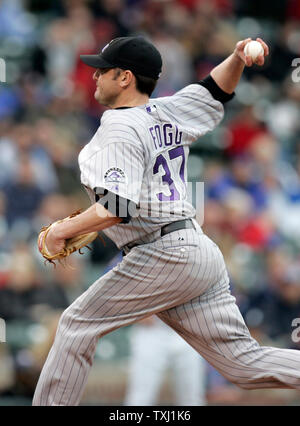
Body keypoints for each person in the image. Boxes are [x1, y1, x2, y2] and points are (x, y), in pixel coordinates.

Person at [32, 36, 300, 407]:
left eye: (103, 70)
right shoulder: (167, 110)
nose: (94, 76)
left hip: (161, 252)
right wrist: (237, 57)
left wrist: (61, 230)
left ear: (125, 77)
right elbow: (215, 90)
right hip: (196, 250)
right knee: (244, 363)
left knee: (76, 326)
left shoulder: (119, 127)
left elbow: (115, 207)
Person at [124, 315, 207, 406]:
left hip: (186, 327)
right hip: (151, 329)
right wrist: (138, 312)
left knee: (192, 397)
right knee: (141, 397)